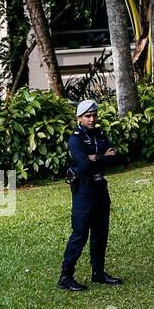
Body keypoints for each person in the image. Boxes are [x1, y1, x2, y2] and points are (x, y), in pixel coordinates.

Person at [57, 99, 123, 291]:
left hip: (100, 188)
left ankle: (98, 272)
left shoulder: (100, 135)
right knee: (79, 234)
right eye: (87, 116)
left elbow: (115, 159)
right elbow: (84, 166)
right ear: (79, 118)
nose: (92, 119)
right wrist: (101, 158)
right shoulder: (75, 139)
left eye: (94, 115)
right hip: (83, 190)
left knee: (100, 233)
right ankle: (66, 276)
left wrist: (96, 158)